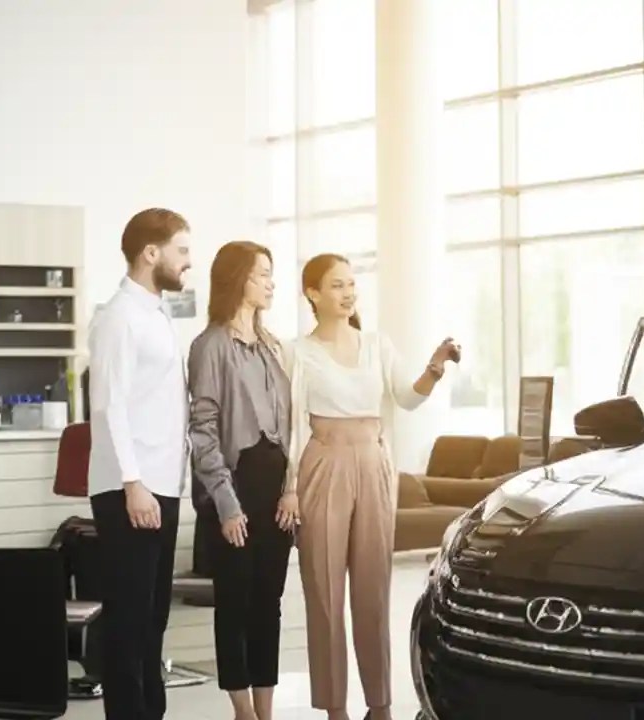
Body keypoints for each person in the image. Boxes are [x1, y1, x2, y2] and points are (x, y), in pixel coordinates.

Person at [289, 253, 459, 720]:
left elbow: (406, 397)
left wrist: (434, 367)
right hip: (322, 463)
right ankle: (335, 709)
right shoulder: (297, 352)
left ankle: (380, 705)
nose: (348, 293)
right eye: (337, 285)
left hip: (373, 463)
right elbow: (288, 426)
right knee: (324, 595)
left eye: (351, 284)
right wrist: (288, 487)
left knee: (373, 592)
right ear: (312, 293)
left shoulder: (376, 344)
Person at [88, 208, 192, 720]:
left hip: (161, 487)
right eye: (182, 250)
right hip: (131, 488)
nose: (188, 261)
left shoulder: (155, 314)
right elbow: (109, 405)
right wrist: (133, 482)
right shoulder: (118, 317)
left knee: (152, 622)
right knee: (129, 624)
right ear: (151, 253)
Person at [187, 241, 297, 720]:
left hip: (277, 489)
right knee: (234, 602)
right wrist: (227, 505)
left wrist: (292, 488)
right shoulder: (210, 346)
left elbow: (293, 426)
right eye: (262, 274)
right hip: (234, 486)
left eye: (271, 274)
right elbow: (203, 431)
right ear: (238, 279)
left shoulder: (273, 347)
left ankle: (266, 710)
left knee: (269, 601)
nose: (271, 283)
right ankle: (242, 710)